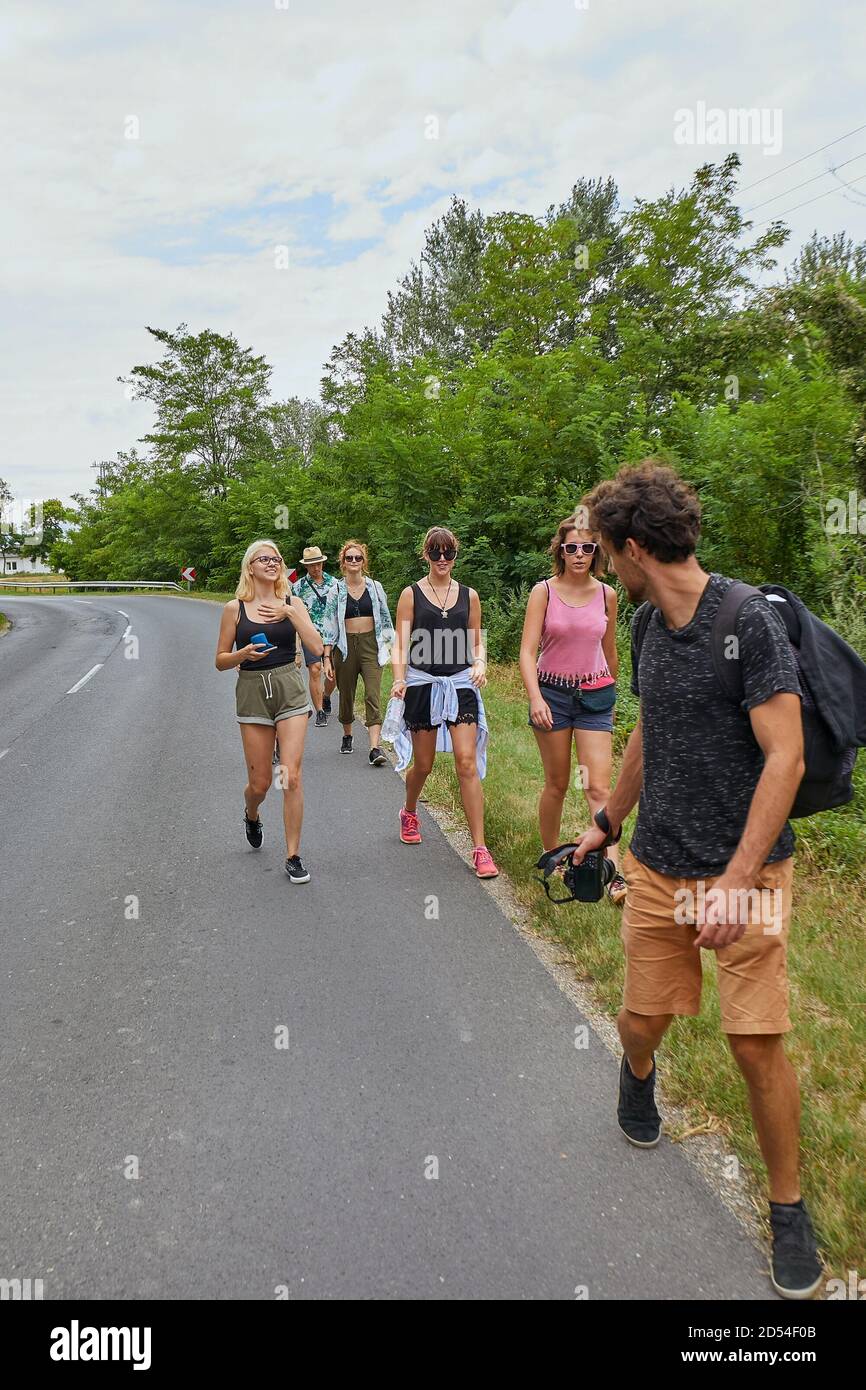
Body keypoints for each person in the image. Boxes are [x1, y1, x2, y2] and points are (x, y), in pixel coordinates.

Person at [571, 460, 821, 1300]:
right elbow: (648, 729)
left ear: (635, 549)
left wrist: (736, 878)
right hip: (657, 864)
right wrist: (606, 822)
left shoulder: (748, 623)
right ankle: (638, 1074)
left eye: (605, 553)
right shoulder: (644, 627)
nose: (601, 565)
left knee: (754, 1042)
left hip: (745, 872)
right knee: (642, 1019)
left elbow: (785, 755)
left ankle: (789, 1210)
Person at [520, 511, 626, 905]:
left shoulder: (606, 595)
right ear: (560, 551)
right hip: (552, 696)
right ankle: (555, 859)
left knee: (599, 787)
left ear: (595, 552)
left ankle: (613, 873)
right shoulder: (543, 592)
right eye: (571, 548)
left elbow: (610, 653)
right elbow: (528, 652)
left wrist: (611, 698)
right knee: (559, 783)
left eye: (586, 547)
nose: (579, 554)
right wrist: (535, 698)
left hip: (595, 697)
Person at [390, 526, 498, 879]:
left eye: (447, 553)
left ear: (455, 555)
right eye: (435, 552)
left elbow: (477, 641)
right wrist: (400, 678)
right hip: (423, 683)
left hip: (460, 683)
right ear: (425, 554)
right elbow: (401, 644)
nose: (441, 559)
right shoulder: (411, 594)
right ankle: (409, 810)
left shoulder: (471, 595)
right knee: (424, 764)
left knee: (466, 763)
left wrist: (479, 663)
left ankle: (480, 848)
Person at [215, 539, 323, 884]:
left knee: (290, 774)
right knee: (261, 782)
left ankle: (293, 855)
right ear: (250, 567)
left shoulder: (294, 602)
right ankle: (251, 812)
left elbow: (317, 646)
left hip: (289, 688)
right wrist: (242, 653)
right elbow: (220, 661)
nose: (272, 562)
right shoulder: (235, 608)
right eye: (264, 558)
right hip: (252, 690)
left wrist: (290, 613)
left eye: (276, 558)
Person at [321, 540, 394, 764]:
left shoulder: (375, 587)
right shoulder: (335, 589)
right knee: (346, 694)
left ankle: (374, 748)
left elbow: (385, 617)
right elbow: (329, 624)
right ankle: (347, 734)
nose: (354, 561)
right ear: (343, 562)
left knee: (372, 694)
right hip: (345, 647)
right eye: (349, 558)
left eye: (358, 558)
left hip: (371, 644)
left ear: (364, 561)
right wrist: (326, 657)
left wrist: (390, 649)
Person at [292, 545, 338, 727]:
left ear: (322, 563)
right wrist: (296, 649)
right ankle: (319, 710)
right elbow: (293, 619)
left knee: (333, 674)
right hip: (309, 634)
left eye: (318, 564)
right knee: (315, 669)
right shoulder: (298, 588)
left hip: (332, 635)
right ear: (306, 566)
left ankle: (326, 695)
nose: (315, 568)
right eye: (311, 565)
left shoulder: (334, 584)